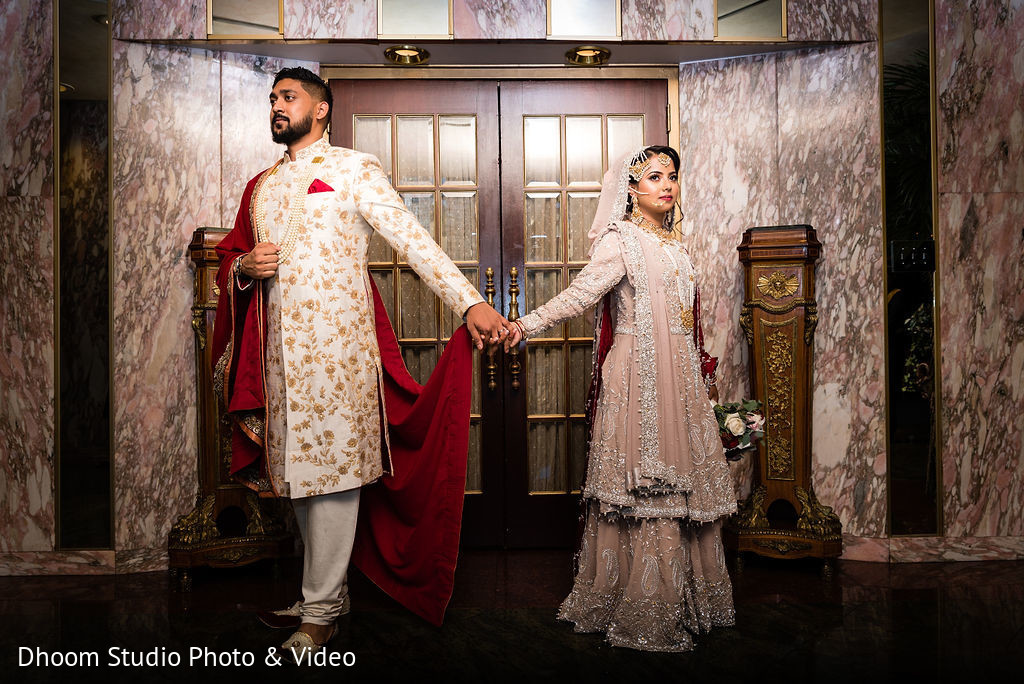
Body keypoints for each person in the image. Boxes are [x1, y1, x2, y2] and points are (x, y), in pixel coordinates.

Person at [211, 67, 510, 660]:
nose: (277, 106)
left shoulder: (352, 169)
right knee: (295, 473)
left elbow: (412, 239)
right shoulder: (261, 187)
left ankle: (319, 613)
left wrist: (471, 301)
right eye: (273, 98)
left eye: (288, 97)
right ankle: (329, 594)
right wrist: (244, 268)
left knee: (335, 477)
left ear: (320, 110)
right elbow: (232, 258)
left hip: (339, 355)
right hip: (276, 357)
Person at [505, 146, 737, 652]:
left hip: (679, 375)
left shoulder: (677, 243)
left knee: (687, 487)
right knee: (646, 486)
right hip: (639, 376)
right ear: (631, 191)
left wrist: (703, 373)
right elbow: (580, 295)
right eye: (654, 177)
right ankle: (640, 605)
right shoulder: (622, 241)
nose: (667, 185)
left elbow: (686, 319)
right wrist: (525, 324)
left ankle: (689, 602)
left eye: (672, 176)